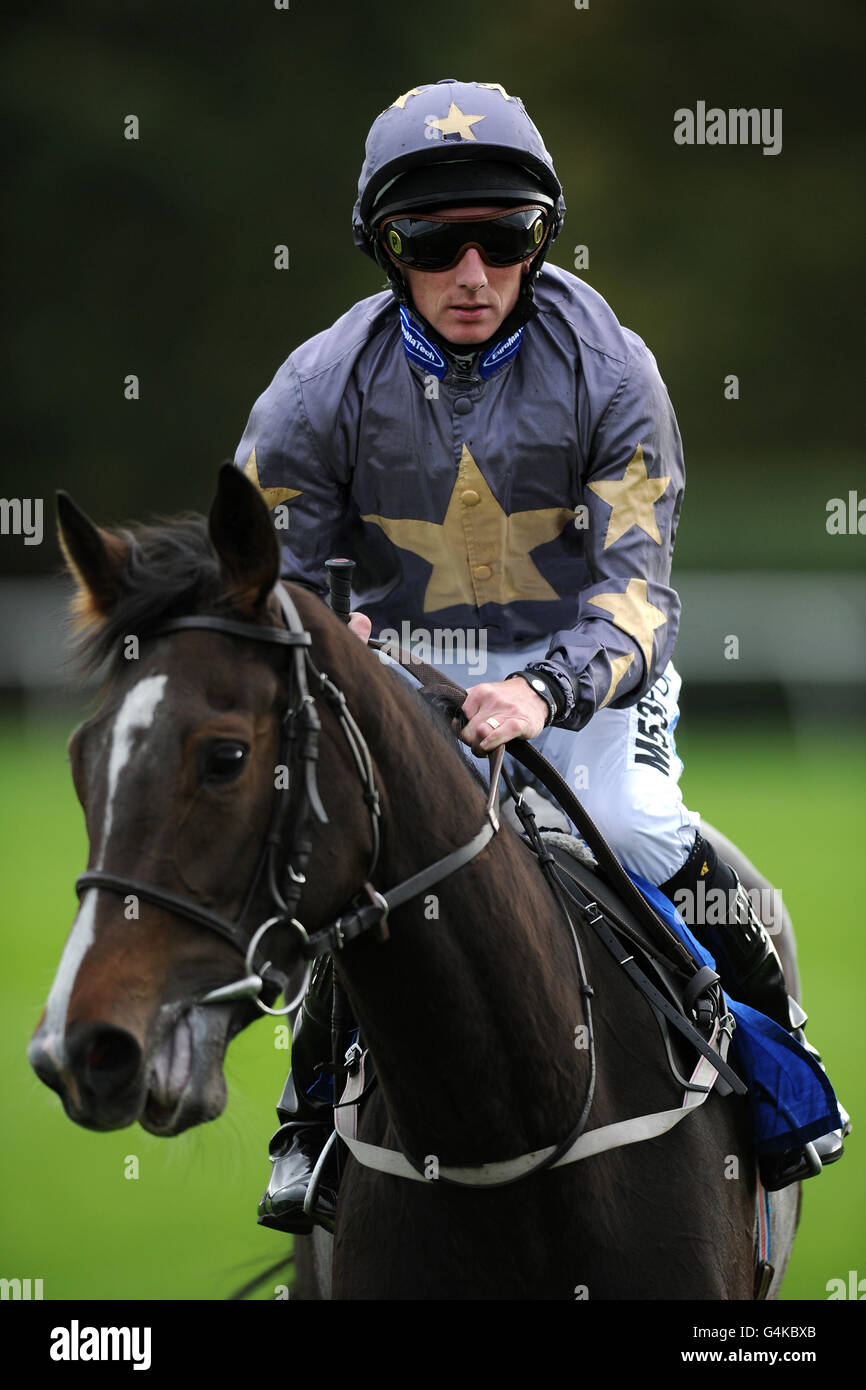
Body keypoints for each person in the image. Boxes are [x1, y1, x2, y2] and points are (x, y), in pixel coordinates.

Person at [233, 79, 846, 1230]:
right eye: (432, 241)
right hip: (404, 673)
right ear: (385, 248)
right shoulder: (315, 388)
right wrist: (327, 636)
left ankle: (773, 1068)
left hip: (585, 673)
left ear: (537, 239)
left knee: (628, 828)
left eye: (502, 237)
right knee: (356, 860)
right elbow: (275, 582)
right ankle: (311, 1113)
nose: (472, 273)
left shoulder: (614, 369)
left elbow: (637, 599)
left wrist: (537, 690)